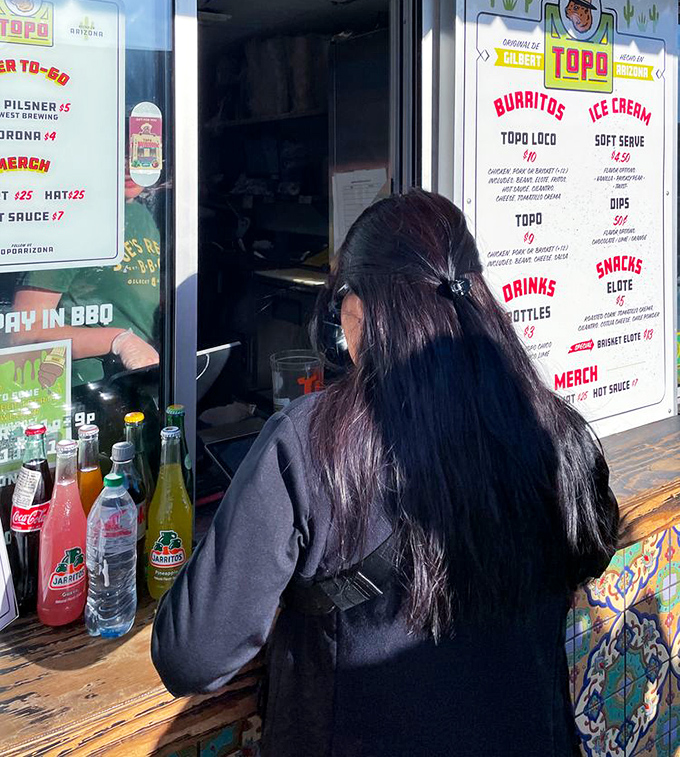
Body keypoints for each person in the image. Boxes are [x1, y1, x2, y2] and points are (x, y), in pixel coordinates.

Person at [152, 190, 618, 757]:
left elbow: (191, 655)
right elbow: (592, 551)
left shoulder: (310, 443)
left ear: (359, 309)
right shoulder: (554, 428)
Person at [11, 162, 160, 385]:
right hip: (89, 389)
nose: (130, 166)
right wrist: (119, 341)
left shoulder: (144, 216)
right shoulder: (71, 219)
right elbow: (23, 331)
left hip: (140, 383)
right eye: (119, 153)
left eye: (139, 152)